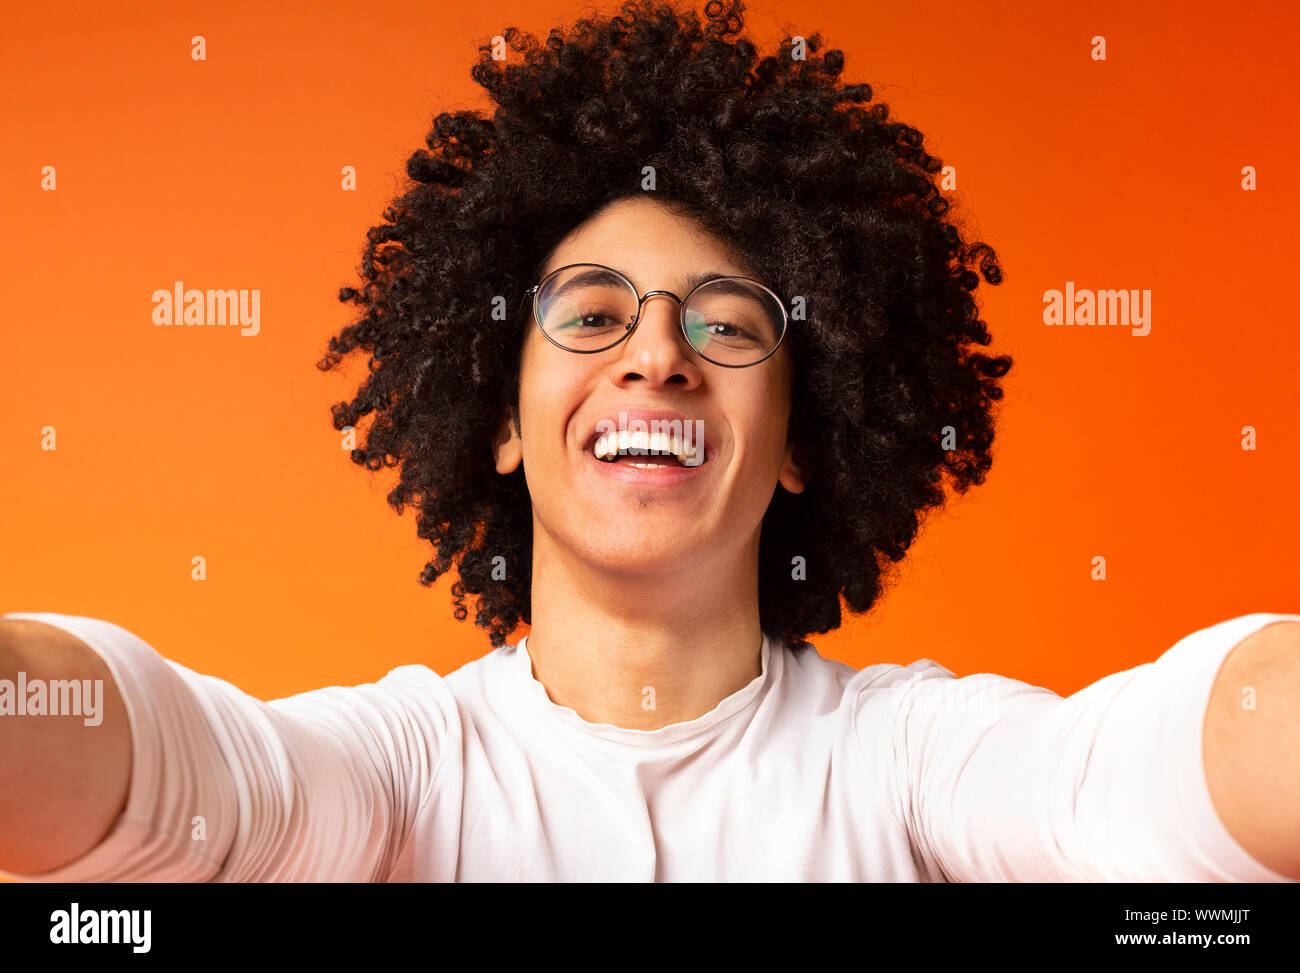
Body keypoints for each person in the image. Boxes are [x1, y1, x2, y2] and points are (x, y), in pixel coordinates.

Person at [2, 0, 1297, 882]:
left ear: (802, 435)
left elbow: (1147, 768)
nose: (658, 352)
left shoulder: (909, 760)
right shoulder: (402, 775)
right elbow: (170, 766)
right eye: (594, 314)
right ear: (503, 420)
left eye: (730, 325)